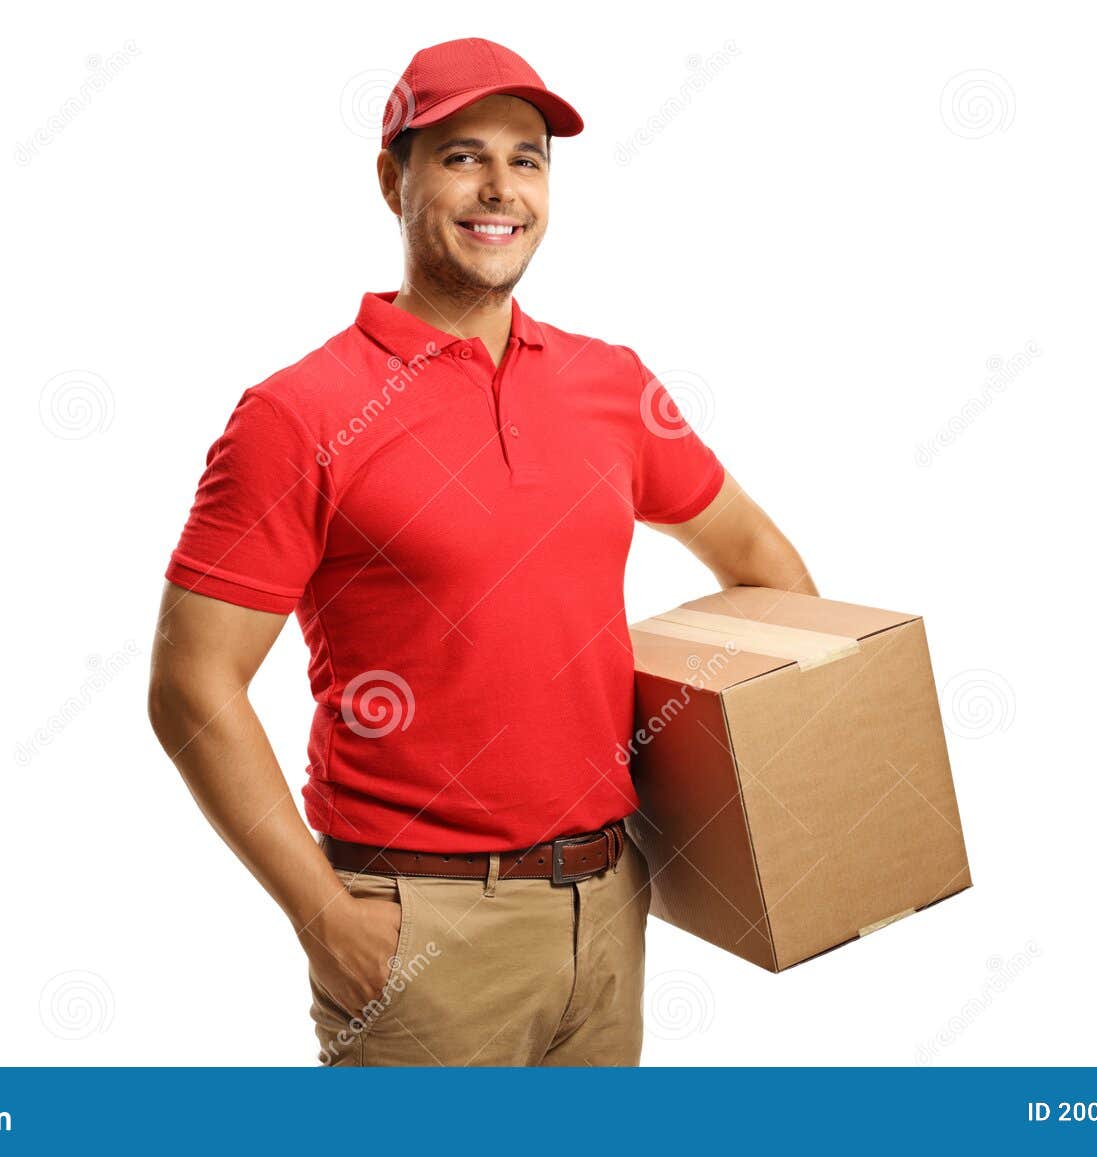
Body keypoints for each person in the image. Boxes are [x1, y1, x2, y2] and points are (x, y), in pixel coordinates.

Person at [146, 37, 816, 1066]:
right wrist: (328, 919)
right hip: (417, 932)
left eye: (527, 157)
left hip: (610, 906)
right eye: (462, 155)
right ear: (392, 178)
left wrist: (746, 811)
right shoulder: (298, 410)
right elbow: (193, 685)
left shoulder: (610, 384)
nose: (500, 186)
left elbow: (768, 574)